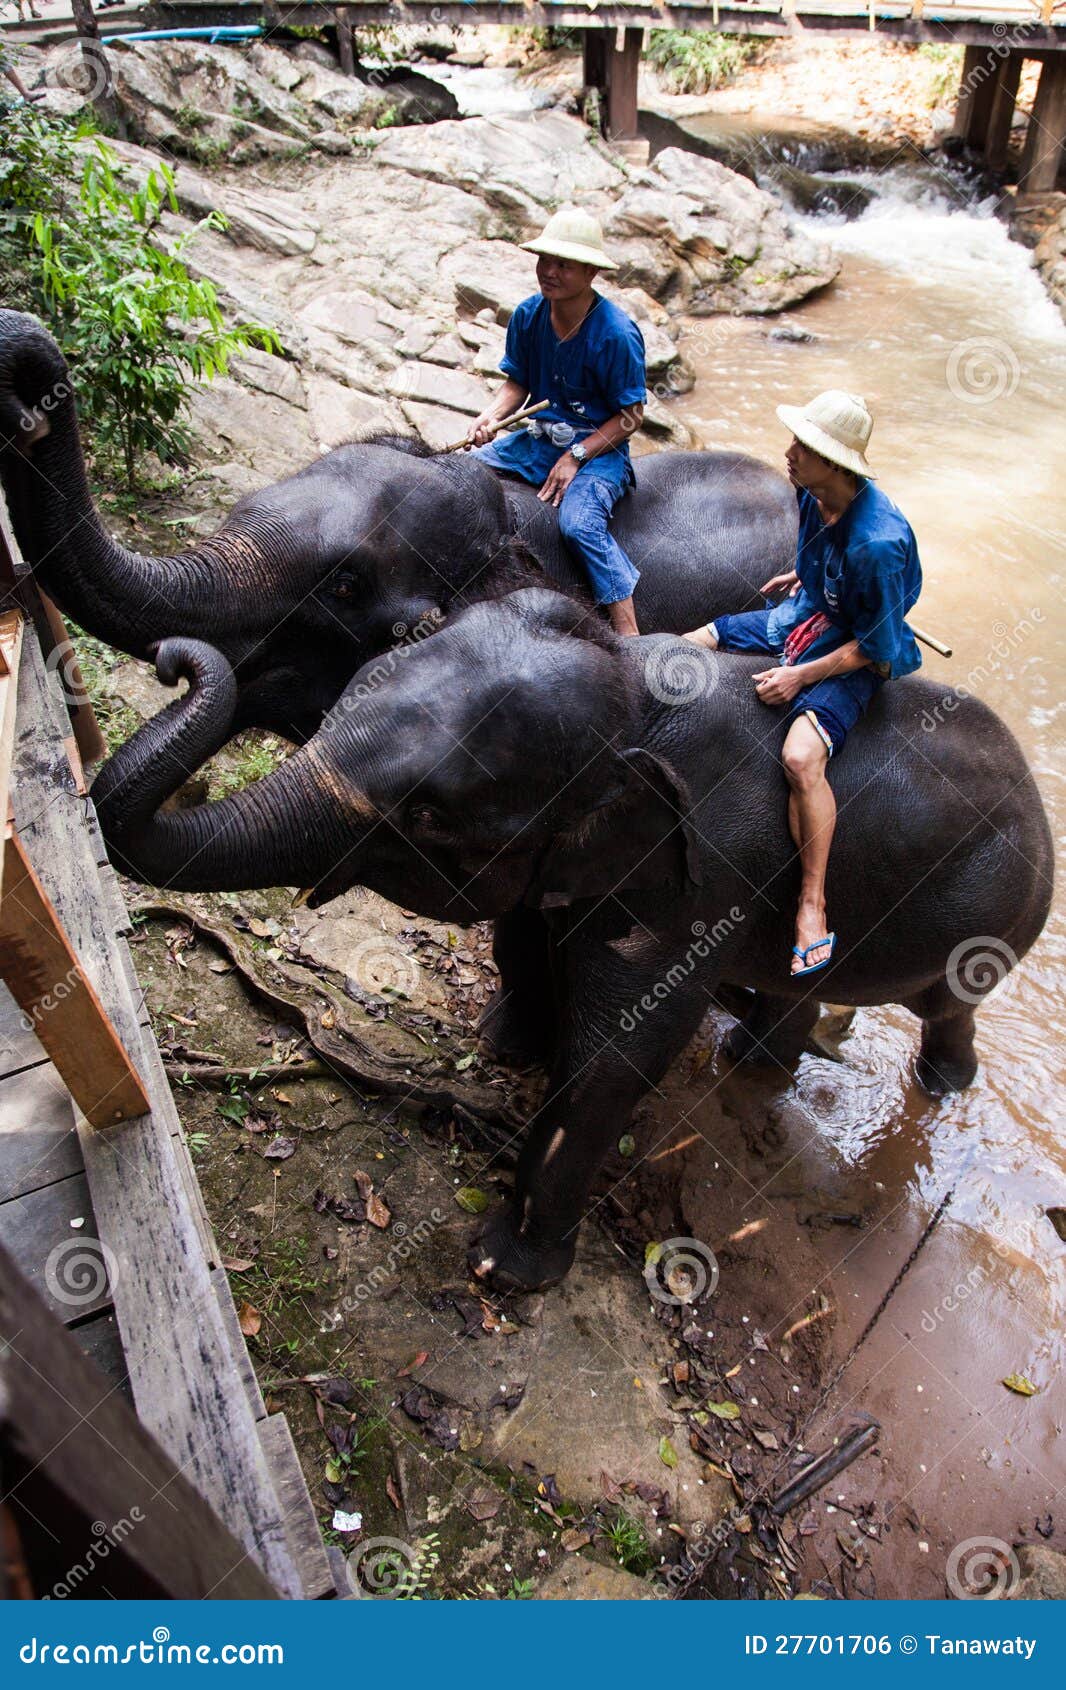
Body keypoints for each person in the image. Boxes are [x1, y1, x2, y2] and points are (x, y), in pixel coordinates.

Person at [683, 390, 922, 979]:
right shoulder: (813, 495)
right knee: (696, 641)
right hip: (809, 610)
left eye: (805, 447)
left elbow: (876, 647)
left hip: (852, 645)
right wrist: (806, 568)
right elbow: (818, 555)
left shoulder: (878, 546)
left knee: (799, 757)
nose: (788, 454)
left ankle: (811, 903)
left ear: (839, 465)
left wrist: (799, 676)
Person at [464, 206, 647, 637]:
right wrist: (490, 417)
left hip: (598, 451)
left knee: (579, 525)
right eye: (545, 260)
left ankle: (630, 633)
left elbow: (632, 416)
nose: (548, 271)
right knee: (461, 473)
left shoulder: (616, 334)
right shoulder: (528, 315)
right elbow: (518, 383)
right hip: (537, 438)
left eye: (563, 265)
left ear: (590, 274)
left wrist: (576, 455)